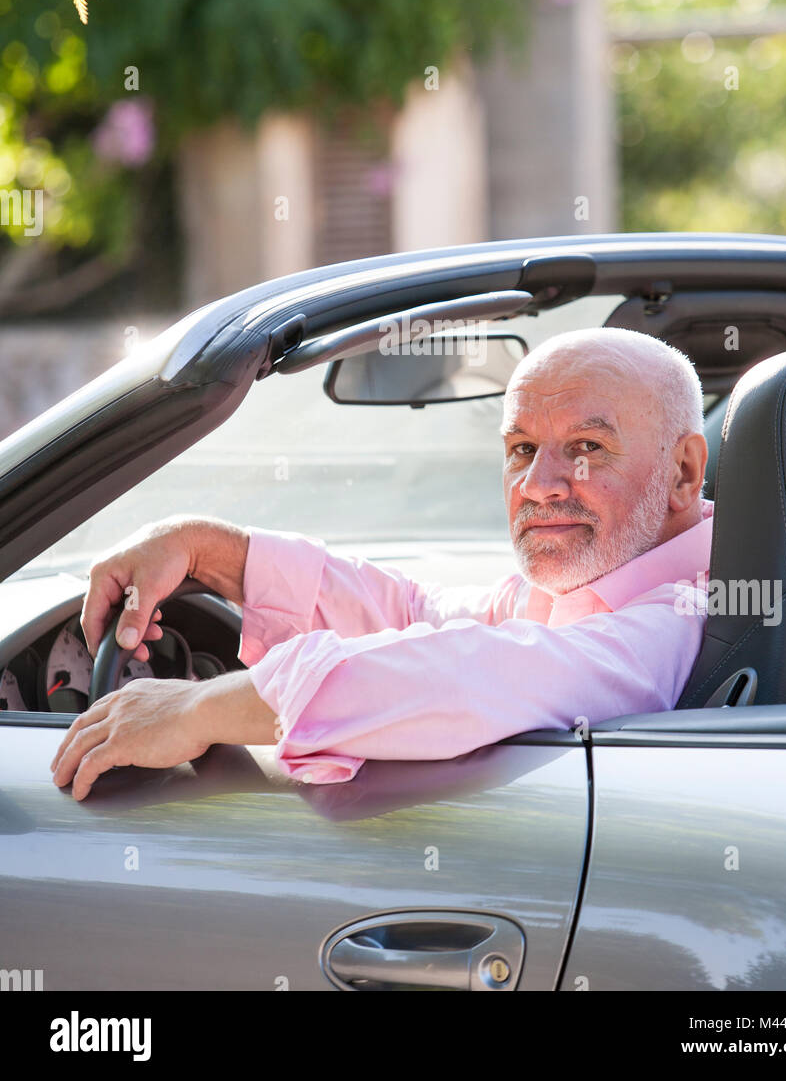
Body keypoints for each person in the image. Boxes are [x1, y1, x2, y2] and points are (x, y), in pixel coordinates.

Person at [51, 326, 711, 801]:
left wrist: (193, 711)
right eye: (521, 448)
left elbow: (464, 677)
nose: (539, 484)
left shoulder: (683, 616)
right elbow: (423, 616)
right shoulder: (603, 582)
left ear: (684, 472)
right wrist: (211, 548)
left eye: (587, 447)